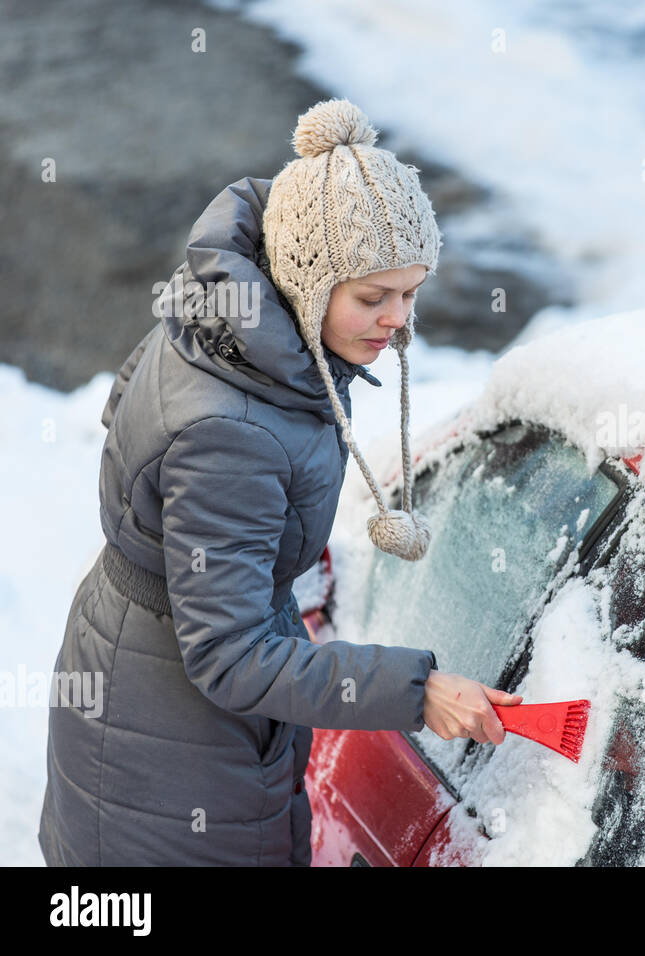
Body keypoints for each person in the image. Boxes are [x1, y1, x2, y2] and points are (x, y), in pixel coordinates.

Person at [38, 99, 521, 866]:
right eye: (373, 297)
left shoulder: (227, 322)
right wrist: (415, 691)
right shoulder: (234, 431)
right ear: (306, 278)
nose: (398, 319)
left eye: (411, 293)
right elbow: (230, 654)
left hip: (140, 674)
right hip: (172, 752)